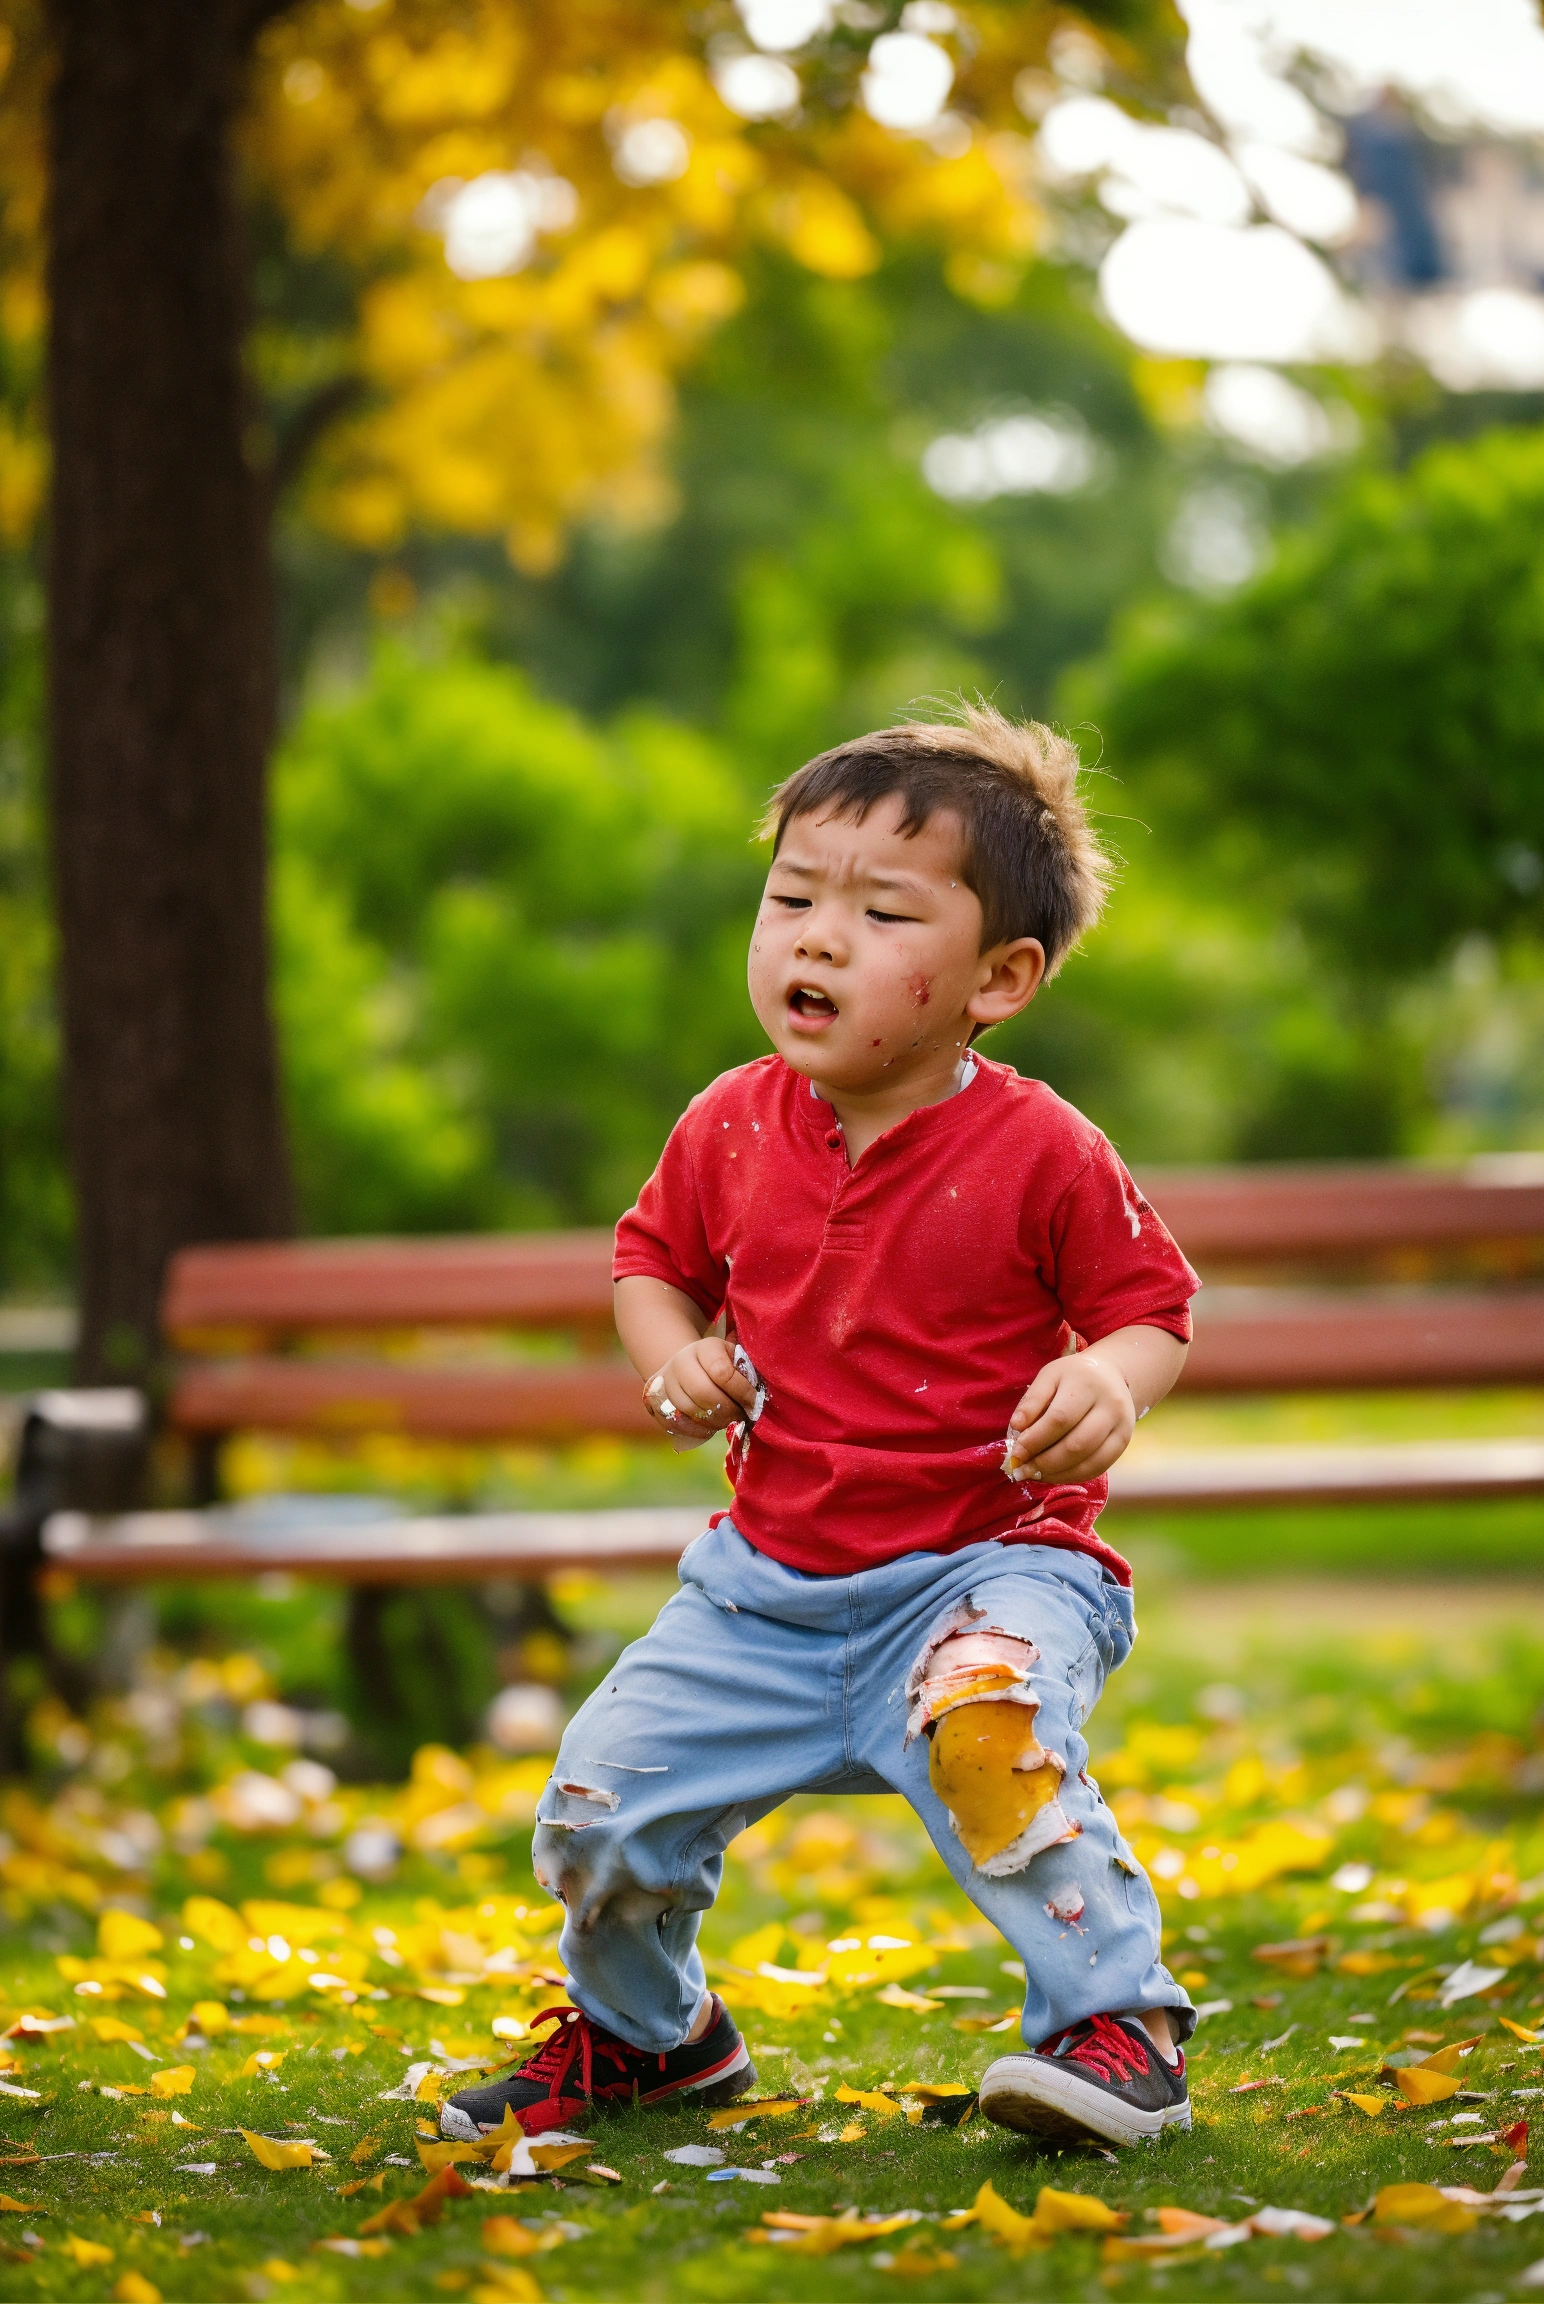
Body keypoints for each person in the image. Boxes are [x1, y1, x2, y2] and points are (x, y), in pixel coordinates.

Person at [443, 704, 1200, 2150]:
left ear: (1002, 977)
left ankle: (1120, 2028)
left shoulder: (1042, 1149)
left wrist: (1108, 1385)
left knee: (993, 1730)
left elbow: (1151, 1308)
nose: (818, 935)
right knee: (603, 1804)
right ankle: (651, 2040)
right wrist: (672, 1360)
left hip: (991, 1568)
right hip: (765, 1588)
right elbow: (651, 1266)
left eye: (880, 910)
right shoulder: (728, 1124)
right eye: (793, 896)